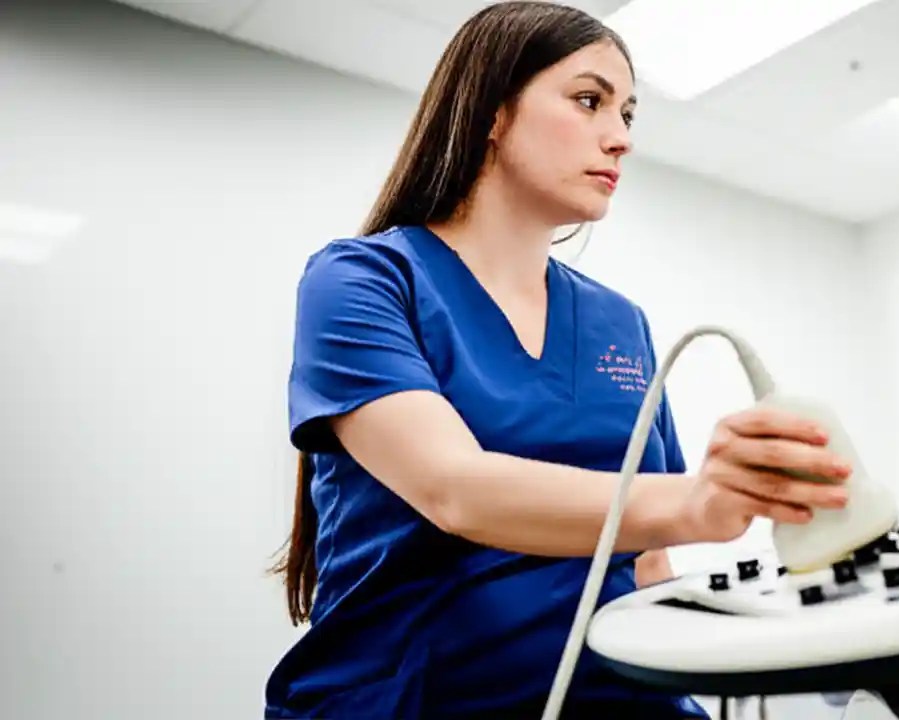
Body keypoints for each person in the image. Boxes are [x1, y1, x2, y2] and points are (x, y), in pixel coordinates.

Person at [263, 2, 854, 718]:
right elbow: (456, 490)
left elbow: (649, 560)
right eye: (589, 101)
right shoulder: (363, 281)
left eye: (627, 114)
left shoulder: (620, 323)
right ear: (491, 111)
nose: (620, 138)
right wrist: (698, 502)